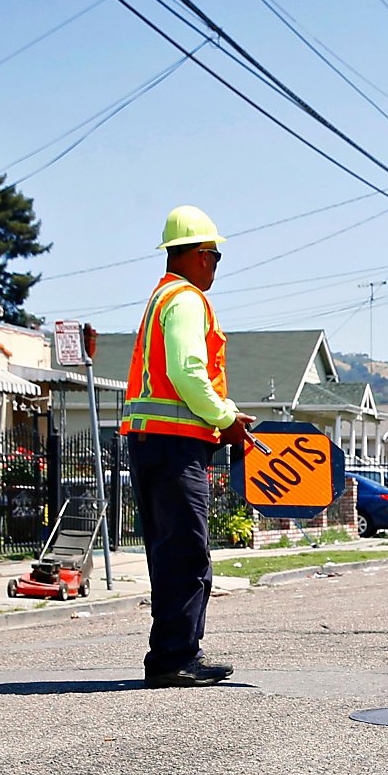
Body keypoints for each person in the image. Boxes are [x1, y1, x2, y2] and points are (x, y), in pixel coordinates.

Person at [123, 206, 255, 688]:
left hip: (153, 445)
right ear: (200, 255)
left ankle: (170, 654)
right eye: (216, 256)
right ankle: (176, 658)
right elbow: (187, 373)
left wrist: (225, 411)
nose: (217, 265)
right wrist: (225, 418)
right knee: (186, 551)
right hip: (173, 447)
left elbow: (177, 378)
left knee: (169, 551)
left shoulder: (163, 298)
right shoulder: (186, 300)